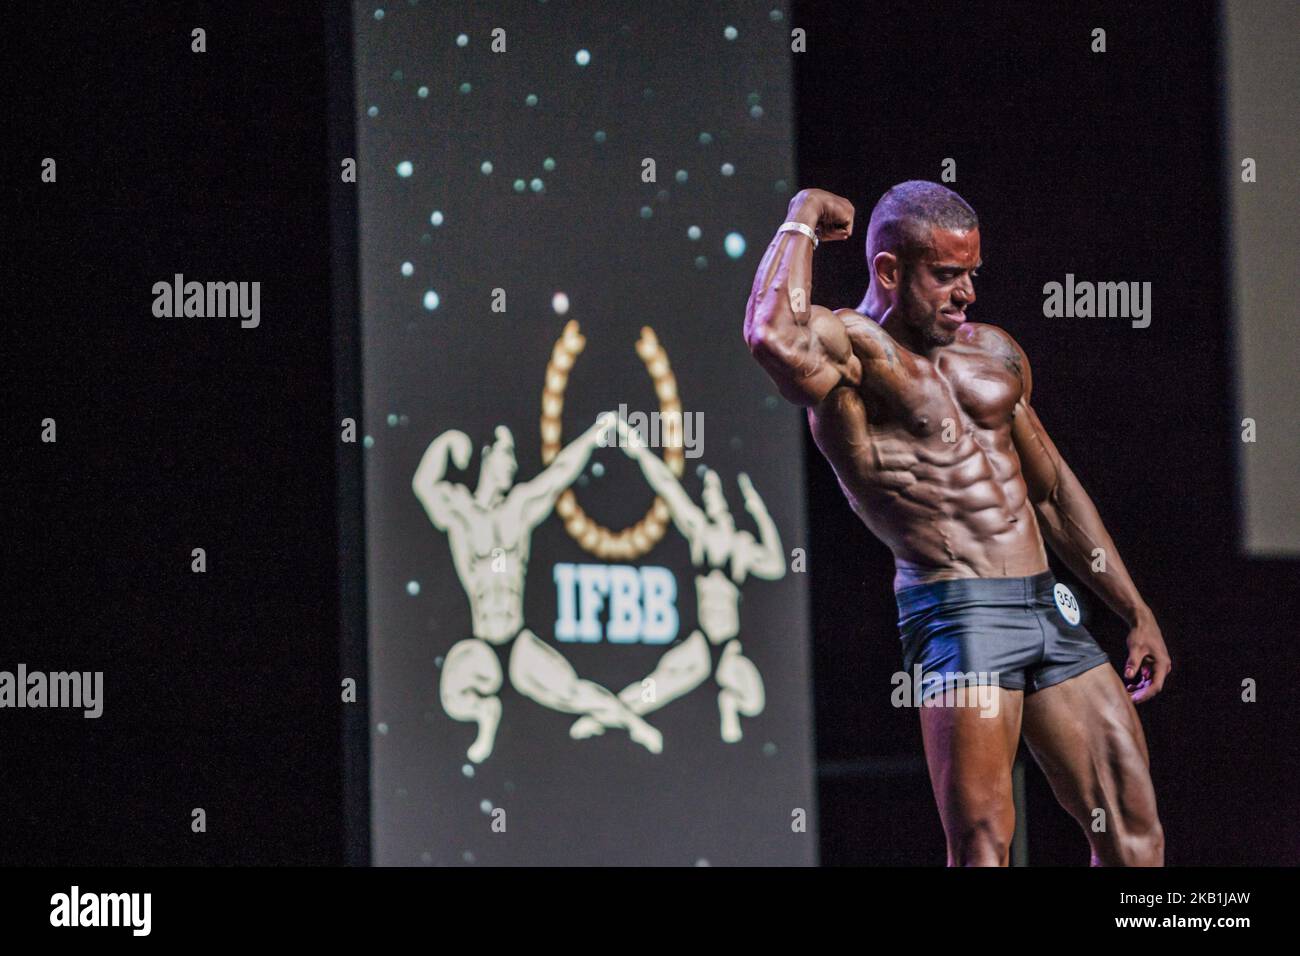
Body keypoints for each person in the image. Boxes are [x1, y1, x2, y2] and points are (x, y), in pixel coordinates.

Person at [742, 182, 1170, 866]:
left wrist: (1134, 609)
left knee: (1135, 835)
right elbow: (771, 335)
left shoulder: (994, 354)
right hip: (959, 611)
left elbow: (1053, 493)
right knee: (982, 847)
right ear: (889, 270)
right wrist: (802, 217)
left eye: (972, 274)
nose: (966, 292)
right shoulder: (853, 352)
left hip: (1046, 609)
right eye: (946, 276)